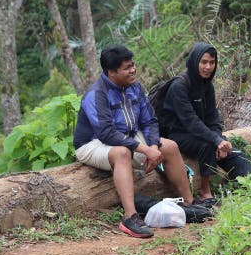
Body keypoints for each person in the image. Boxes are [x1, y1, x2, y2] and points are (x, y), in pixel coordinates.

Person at [74, 45, 195, 238]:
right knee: (122, 153)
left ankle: (189, 204)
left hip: (127, 136)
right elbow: (106, 133)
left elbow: (150, 120)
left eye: (133, 65)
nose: (133, 70)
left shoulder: (135, 87)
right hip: (92, 142)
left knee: (169, 147)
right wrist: (145, 150)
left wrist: (153, 147)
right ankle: (130, 217)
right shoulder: (96, 94)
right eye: (127, 67)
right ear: (111, 72)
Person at [160, 42, 251, 205]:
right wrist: (215, 140)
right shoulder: (179, 86)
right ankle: (205, 192)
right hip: (178, 135)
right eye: (203, 62)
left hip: (201, 133)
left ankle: (250, 188)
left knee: (234, 153)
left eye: (212, 62)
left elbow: (213, 118)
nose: (208, 67)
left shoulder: (206, 86)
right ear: (194, 61)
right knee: (207, 145)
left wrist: (219, 140)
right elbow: (190, 121)